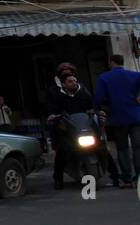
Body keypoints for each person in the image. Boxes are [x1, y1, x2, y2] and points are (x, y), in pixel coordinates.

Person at [93, 54, 140, 187]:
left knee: (123, 148)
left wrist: (98, 109)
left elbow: (98, 98)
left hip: (118, 118)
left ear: (111, 62)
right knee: (138, 148)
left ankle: (127, 179)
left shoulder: (104, 78)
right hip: (136, 116)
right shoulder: (136, 75)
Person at [47, 67, 96, 190]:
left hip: (84, 128)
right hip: (68, 130)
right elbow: (52, 110)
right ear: (63, 83)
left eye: (74, 80)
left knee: (100, 145)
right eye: (70, 81)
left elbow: (93, 105)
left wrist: (97, 112)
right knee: (62, 150)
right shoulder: (56, 94)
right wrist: (54, 116)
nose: (73, 83)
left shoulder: (83, 92)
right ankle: (58, 179)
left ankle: (116, 176)